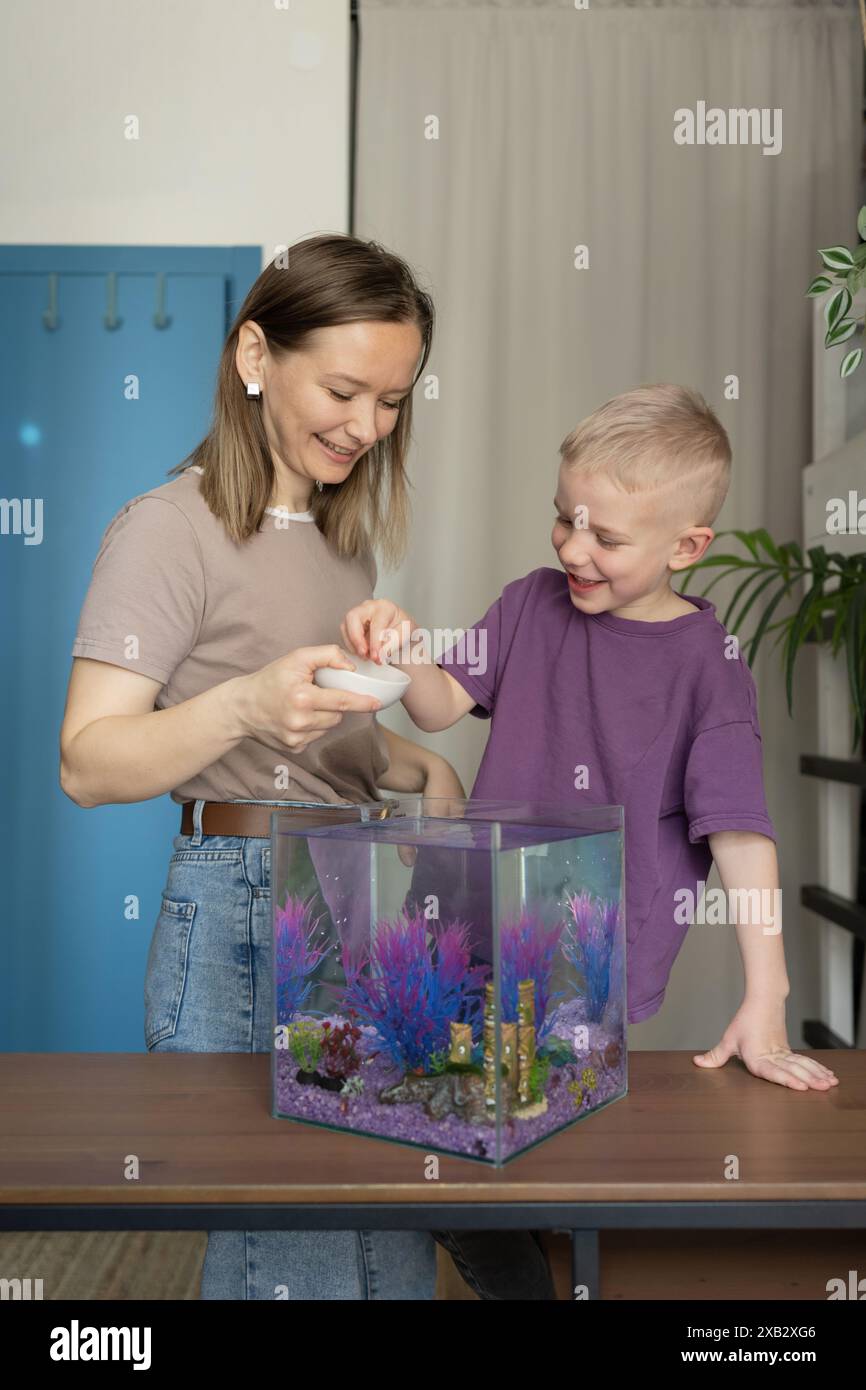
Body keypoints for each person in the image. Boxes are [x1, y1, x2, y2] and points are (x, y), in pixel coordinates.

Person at [341, 381, 840, 1299]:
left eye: (606, 537)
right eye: (563, 519)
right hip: (454, 940)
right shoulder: (533, 603)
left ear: (689, 546)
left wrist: (766, 993)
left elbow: (739, 833)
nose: (573, 547)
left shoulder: (707, 663)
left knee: (520, 1152)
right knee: (434, 1137)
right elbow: (440, 701)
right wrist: (398, 641)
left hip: (580, 972)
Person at [59, 233, 466, 1301]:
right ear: (254, 354)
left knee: (382, 1219)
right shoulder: (166, 529)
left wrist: (417, 770)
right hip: (241, 904)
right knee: (284, 1235)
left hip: (356, 885)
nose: (366, 427)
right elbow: (89, 762)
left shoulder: (343, 538)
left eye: (391, 402)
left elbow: (323, 745)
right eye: (342, 389)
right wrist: (243, 700)